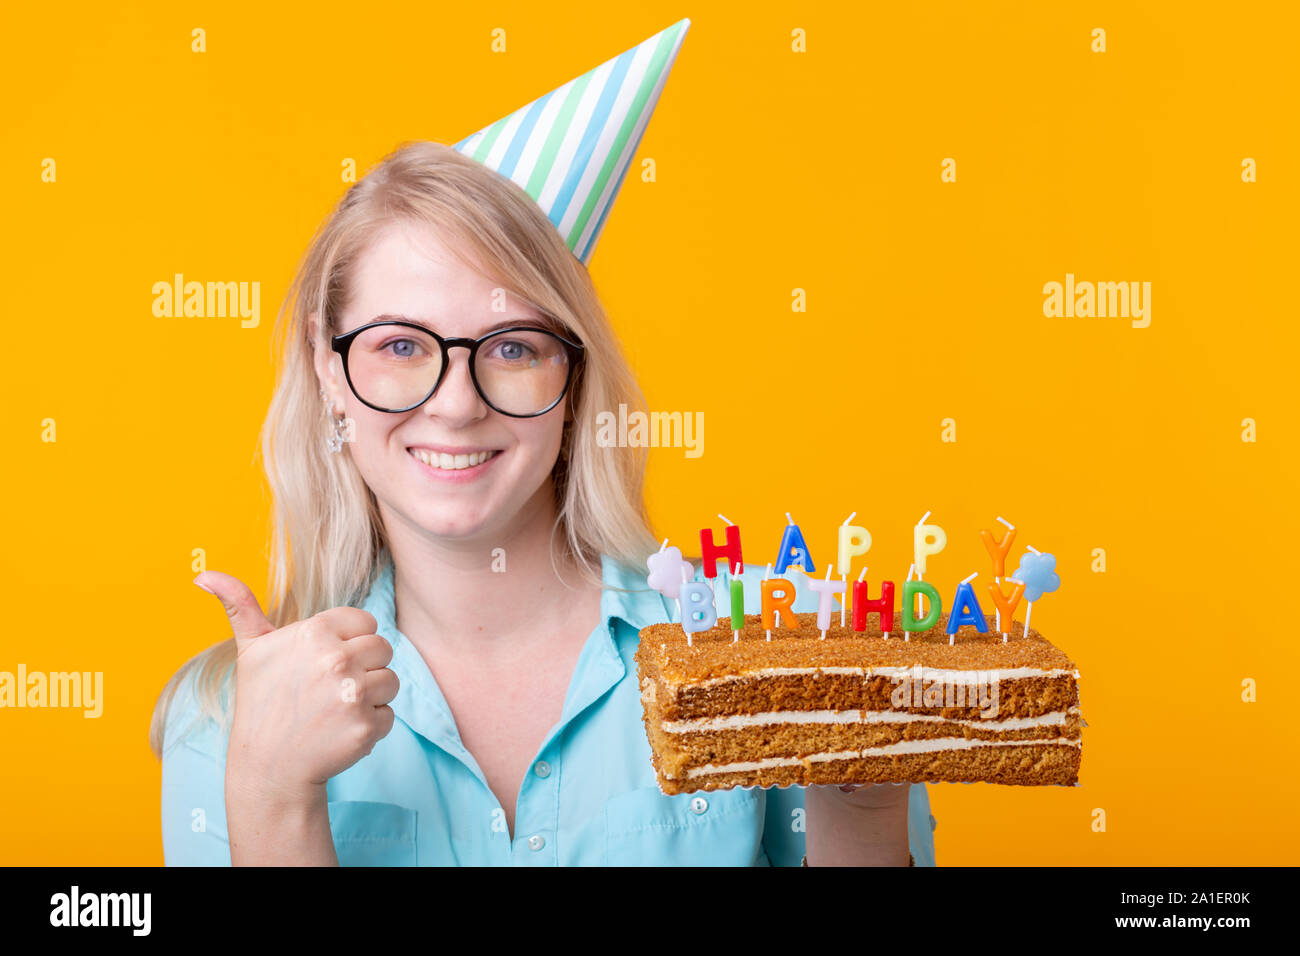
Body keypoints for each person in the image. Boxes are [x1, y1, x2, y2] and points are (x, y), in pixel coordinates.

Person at [150, 23, 936, 867]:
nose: (454, 406)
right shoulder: (233, 718)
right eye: (402, 346)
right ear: (326, 363)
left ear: (575, 376)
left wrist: (861, 805)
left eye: (513, 347)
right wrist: (271, 797)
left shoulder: (760, 656)